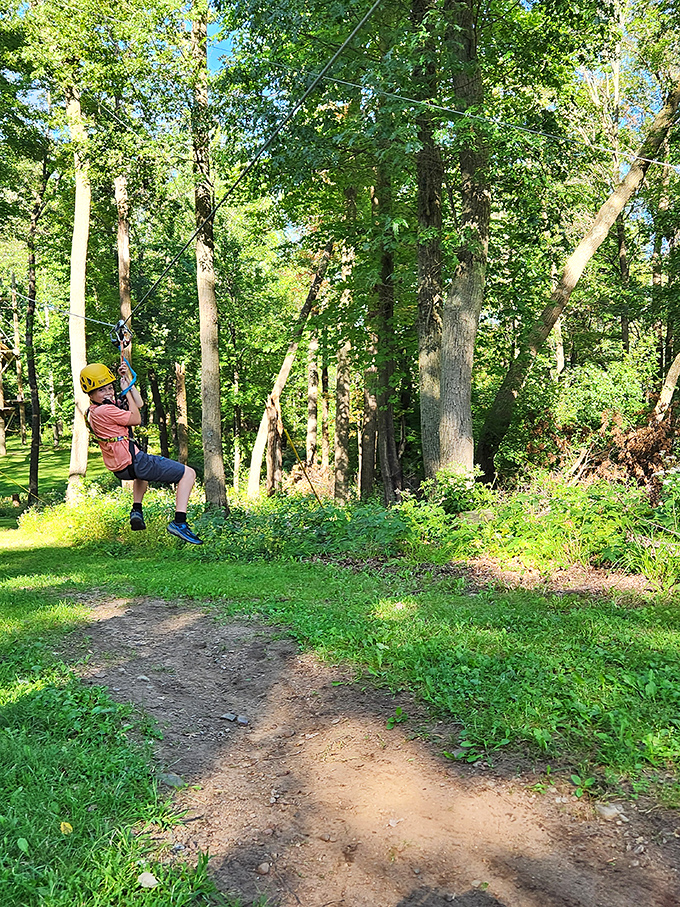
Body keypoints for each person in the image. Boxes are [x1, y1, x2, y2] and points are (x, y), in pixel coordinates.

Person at [80, 361, 203, 544]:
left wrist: (128, 382)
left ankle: (136, 509)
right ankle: (179, 522)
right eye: (101, 390)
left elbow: (138, 403)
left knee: (142, 476)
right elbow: (136, 418)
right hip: (134, 461)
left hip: (122, 467)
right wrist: (126, 390)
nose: (108, 392)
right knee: (188, 474)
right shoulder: (106, 410)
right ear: (90, 394)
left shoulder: (93, 411)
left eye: (109, 388)